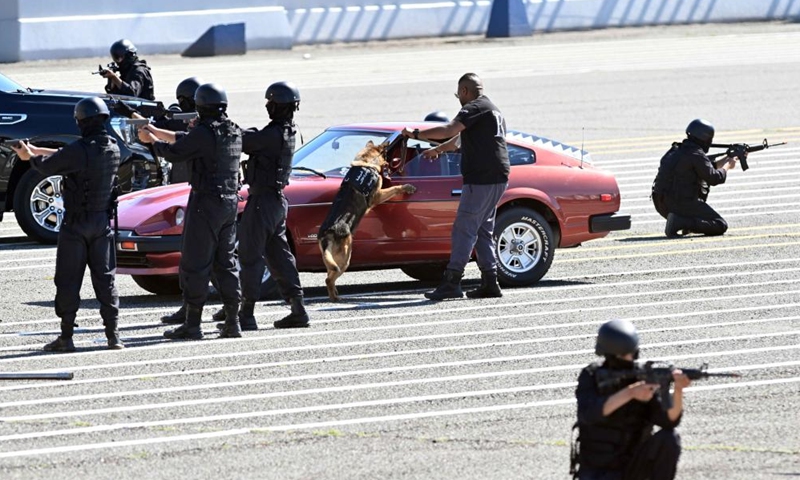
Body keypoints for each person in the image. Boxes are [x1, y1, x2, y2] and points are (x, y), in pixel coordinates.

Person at [11, 97, 124, 352]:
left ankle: (66, 337)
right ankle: (113, 336)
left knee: (68, 280)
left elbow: (46, 167)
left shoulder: (79, 150)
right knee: (106, 281)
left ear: (80, 121)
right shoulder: (113, 148)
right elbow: (72, 155)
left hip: (76, 224)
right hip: (101, 223)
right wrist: (37, 149)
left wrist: (29, 156)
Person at [138, 83, 242, 340]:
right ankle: (233, 321)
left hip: (205, 203)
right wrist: (157, 132)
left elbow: (175, 153)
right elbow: (186, 141)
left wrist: (152, 142)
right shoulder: (233, 131)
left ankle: (192, 324)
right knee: (226, 263)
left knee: (195, 263)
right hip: (229, 203)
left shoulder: (204, 133)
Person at [401, 72, 509, 300]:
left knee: (464, 229)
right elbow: (459, 139)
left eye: (458, 94)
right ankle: (490, 282)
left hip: (481, 178)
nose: (458, 99)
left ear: (464, 91)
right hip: (497, 177)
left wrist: (416, 134)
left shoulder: (473, 108)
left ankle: (452, 282)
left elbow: (450, 129)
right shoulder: (491, 108)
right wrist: (439, 149)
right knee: (482, 230)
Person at [223, 81, 310, 332]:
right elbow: (254, 138)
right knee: (281, 258)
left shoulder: (272, 135)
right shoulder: (289, 131)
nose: (267, 106)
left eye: (271, 102)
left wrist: (224, 125)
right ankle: (298, 308)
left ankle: (246, 314)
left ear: (278, 105)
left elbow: (247, 141)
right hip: (276, 202)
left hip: (262, 202)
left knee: (250, 257)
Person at [573, 319, 690, 480]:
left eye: (631, 353)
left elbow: (670, 421)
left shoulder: (642, 376)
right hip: (598, 469)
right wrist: (630, 393)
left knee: (668, 438)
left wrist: (677, 389)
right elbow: (589, 413)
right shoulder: (591, 376)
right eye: (623, 354)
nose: (629, 358)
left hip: (633, 465)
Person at [651, 119, 739, 238]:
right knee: (720, 225)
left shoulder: (677, 149)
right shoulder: (696, 153)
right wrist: (728, 166)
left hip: (661, 203)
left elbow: (704, 168)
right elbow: (714, 178)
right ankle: (680, 222)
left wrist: (728, 158)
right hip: (679, 204)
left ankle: (683, 222)